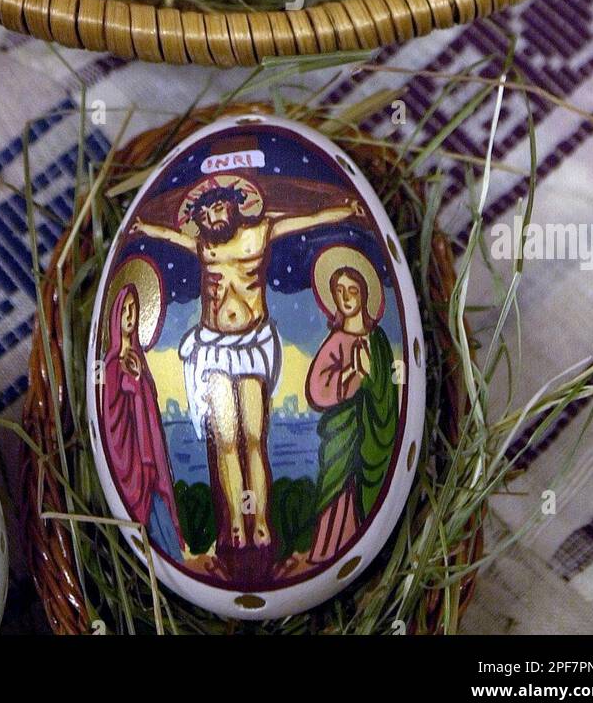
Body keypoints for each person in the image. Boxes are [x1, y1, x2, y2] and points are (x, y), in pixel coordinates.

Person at [130, 178, 365, 556]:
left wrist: (345, 211)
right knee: (224, 440)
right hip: (213, 347)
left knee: (254, 439)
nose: (211, 217)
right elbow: (175, 239)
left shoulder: (260, 232)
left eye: (217, 207)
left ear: (234, 205)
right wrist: (144, 228)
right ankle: (237, 526)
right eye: (204, 214)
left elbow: (307, 219)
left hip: (252, 343)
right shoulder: (204, 245)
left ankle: (260, 525)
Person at [307, 262, 399, 563]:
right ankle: (327, 551)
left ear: (365, 294)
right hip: (342, 432)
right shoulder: (335, 342)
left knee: (364, 485)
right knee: (336, 485)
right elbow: (317, 390)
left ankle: (358, 542)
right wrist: (351, 374)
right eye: (339, 291)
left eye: (353, 291)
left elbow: (391, 386)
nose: (346, 298)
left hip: (376, 430)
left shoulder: (379, 340)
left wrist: (370, 378)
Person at [100, 284, 184, 561]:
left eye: (134, 310)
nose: (129, 316)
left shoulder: (139, 358)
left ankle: (172, 557)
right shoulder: (111, 363)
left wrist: (139, 383)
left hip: (150, 457)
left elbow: (150, 405)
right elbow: (110, 415)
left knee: (160, 513)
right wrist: (132, 385)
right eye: (124, 310)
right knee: (145, 514)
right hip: (130, 457)